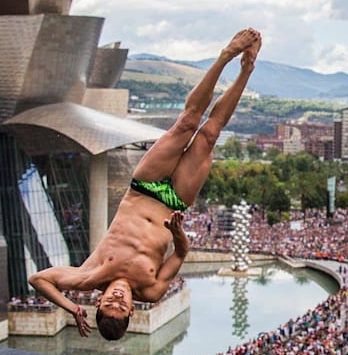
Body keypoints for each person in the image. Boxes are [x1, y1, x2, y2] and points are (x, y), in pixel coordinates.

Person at [27, 28, 262, 338]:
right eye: (121, 307)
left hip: (144, 188)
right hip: (175, 201)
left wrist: (70, 307)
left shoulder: (89, 276)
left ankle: (226, 55)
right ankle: (246, 69)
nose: (116, 298)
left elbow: (38, 280)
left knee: (188, 122)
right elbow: (179, 255)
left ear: (98, 302)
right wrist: (178, 234)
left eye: (108, 303)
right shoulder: (150, 291)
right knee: (208, 134)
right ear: (132, 309)